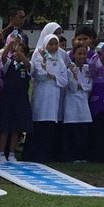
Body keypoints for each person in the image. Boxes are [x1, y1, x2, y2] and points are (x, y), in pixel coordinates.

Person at [25, 33, 68, 163]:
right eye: (51, 44)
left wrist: (53, 77)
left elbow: (64, 80)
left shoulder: (60, 60)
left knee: (49, 126)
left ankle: (45, 156)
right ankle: (32, 155)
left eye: (56, 44)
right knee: (38, 124)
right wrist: (45, 67)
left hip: (53, 97)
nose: (53, 47)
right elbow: (39, 75)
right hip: (41, 95)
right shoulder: (38, 55)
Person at [63, 43, 93, 162]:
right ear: (74, 55)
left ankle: (82, 155)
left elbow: (90, 86)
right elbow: (73, 87)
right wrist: (75, 77)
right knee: (73, 130)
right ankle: (71, 155)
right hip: (72, 102)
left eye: (84, 54)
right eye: (79, 54)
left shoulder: (87, 69)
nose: (82, 56)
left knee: (83, 130)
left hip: (84, 103)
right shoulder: (70, 70)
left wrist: (82, 86)